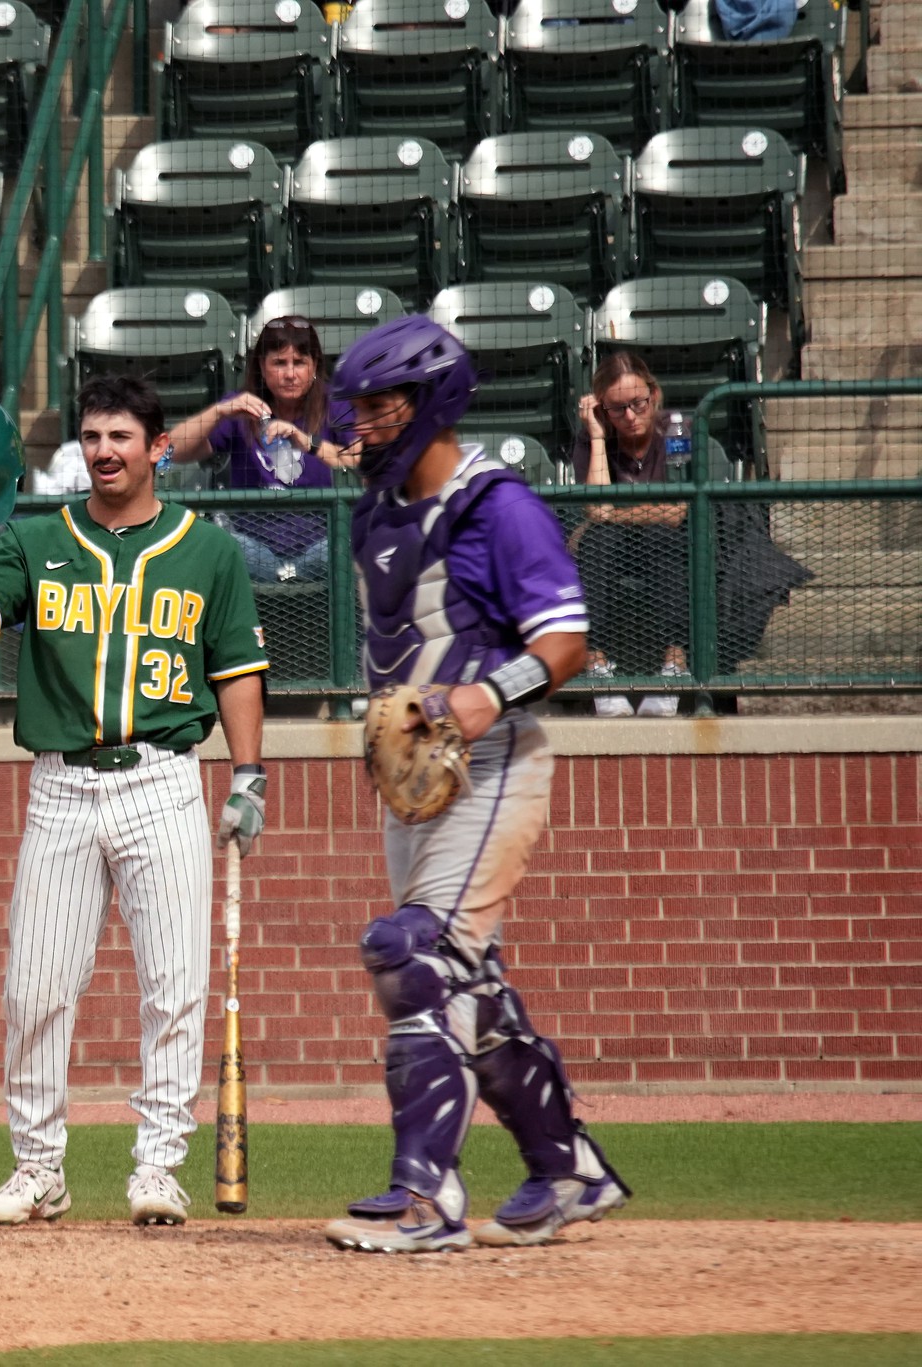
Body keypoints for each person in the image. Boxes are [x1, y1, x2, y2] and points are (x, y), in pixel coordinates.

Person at [0, 376, 272, 1229]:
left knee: (174, 987)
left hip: (163, 778)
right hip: (62, 783)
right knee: (34, 986)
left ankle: (157, 1167)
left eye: (122, 436)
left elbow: (238, 671)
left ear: (158, 447)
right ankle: (39, 1167)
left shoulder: (208, 551)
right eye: (93, 437)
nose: (106, 450)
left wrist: (248, 773)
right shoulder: (38, 539)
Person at [319, 315, 629, 1255]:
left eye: (383, 406)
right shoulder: (377, 511)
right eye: (360, 407)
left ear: (431, 402)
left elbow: (566, 641)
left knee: (412, 952)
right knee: (465, 982)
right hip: (420, 782)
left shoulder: (496, 504)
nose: (365, 423)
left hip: (495, 761)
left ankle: (426, 1197)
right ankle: (566, 1166)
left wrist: (489, 697)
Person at [165, 314, 346, 583]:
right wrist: (218, 412)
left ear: (315, 365)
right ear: (261, 365)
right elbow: (171, 450)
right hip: (253, 549)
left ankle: (289, 578)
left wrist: (308, 443)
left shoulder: (336, 404)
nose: (290, 374)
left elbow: (361, 461)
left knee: (352, 544)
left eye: (299, 363)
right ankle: (284, 578)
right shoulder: (241, 407)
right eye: (279, 363)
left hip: (322, 545)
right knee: (220, 545)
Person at [569, 351, 691, 718]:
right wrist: (595, 435)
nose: (631, 416)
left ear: (653, 394)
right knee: (597, 542)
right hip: (613, 547)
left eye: (638, 403)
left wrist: (613, 514)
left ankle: (673, 669)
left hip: (668, 544)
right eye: (617, 408)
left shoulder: (677, 430)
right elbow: (595, 508)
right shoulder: (592, 441)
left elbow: (676, 512)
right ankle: (599, 672)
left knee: (659, 537)